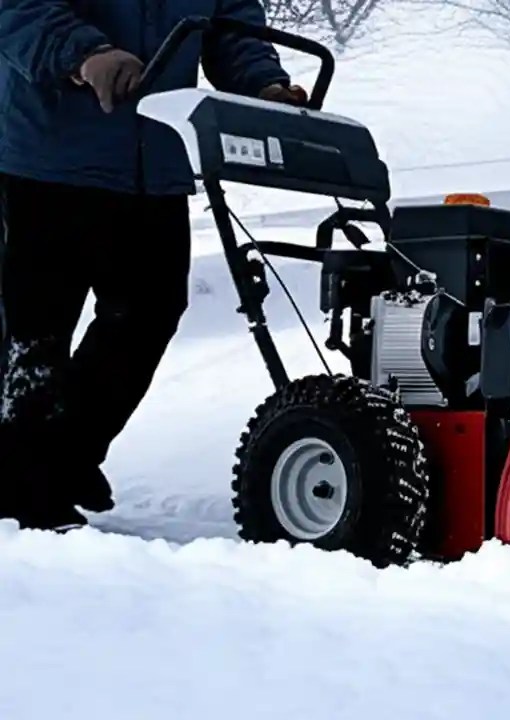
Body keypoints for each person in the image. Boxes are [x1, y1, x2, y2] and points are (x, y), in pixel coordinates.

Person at [0, 1, 308, 531]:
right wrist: (84, 54)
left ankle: (60, 457)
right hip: (47, 156)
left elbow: (231, 23)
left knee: (149, 313)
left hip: (154, 160)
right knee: (36, 331)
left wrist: (263, 86)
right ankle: (21, 489)